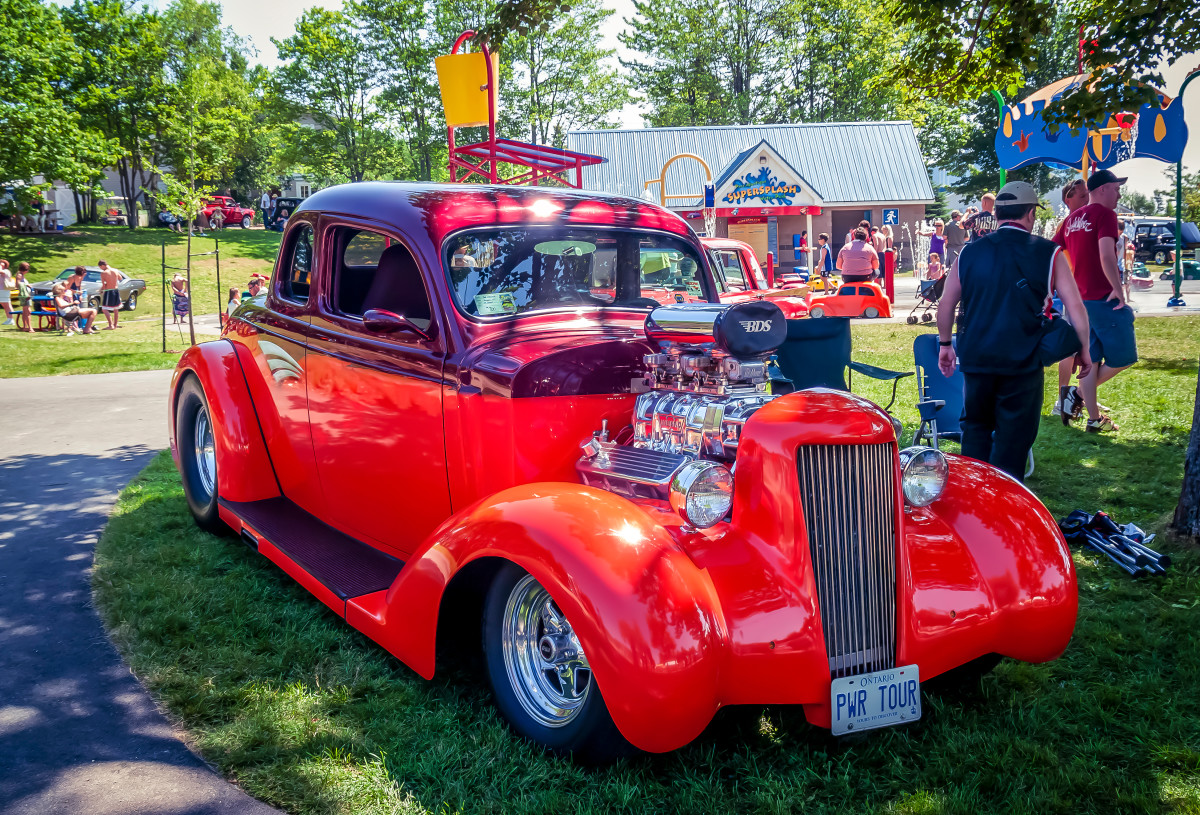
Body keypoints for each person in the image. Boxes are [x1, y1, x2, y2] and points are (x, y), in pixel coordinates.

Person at [936, 181, 1092, 481]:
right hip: (1023, 360)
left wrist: (945, 344)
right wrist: (1083, 348)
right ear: (1031, 214)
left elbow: (946, 305)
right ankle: (1004, 506)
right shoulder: (1050, 253)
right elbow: (1076, 308)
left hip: (977, 358)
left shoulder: (969, 253)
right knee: (1014, 438)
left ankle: (972, 499)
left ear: (997, 215)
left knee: (976, 429)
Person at [1053, 168, 1136, 433]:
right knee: (1124, 357)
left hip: (1079, 301)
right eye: (1115, 188)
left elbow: (1052, 250)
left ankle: (1094, 420)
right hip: (1102, 297)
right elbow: (1106, 256)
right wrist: (1119, 289)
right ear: (1101, 190)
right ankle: (1075, 395)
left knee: (1092, 361)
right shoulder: (1106, 215)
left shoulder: (1071, 219)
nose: (1119, 193)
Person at [1050, 177, 1092, 419]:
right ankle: (1063, 400)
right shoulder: (1069, 222)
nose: (1087, 199)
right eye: (1081, 195)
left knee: (1086, 347)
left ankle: (1080, 397)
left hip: (1081, 292)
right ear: (1068, 199)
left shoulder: (1081, 220)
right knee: (1071, 347)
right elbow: (1052, 251)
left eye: (1087, 194)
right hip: (1076, 293)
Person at [98, 259, 122, 330]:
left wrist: (101, 290)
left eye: (100, 267)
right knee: (115, 308)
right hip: (116, 290)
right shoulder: (115, 271)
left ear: (102, 266)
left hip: (109, 291)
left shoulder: (104, 273)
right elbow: (120, 278)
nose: (101, 269)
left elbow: (104, 284)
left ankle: (111, 325)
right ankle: (115, 324)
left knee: (104, 309)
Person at [15, 262, 33, 332]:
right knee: (28, 311)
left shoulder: (22, 275)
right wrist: (26, 285)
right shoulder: (19, 275)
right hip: (25, 295)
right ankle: (30, 328)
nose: (28, 271)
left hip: (27, 295)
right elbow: (17, 285)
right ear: (24, 269)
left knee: (25, 311)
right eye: (27, 270)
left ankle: (25, 327)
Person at [0, 259, 14, 325]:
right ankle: (9, 319)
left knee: (7, 305)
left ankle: (11, 319)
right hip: (2, 290)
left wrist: (0, 265)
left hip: (4, 290)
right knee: (6, 305)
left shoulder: (6, 271)